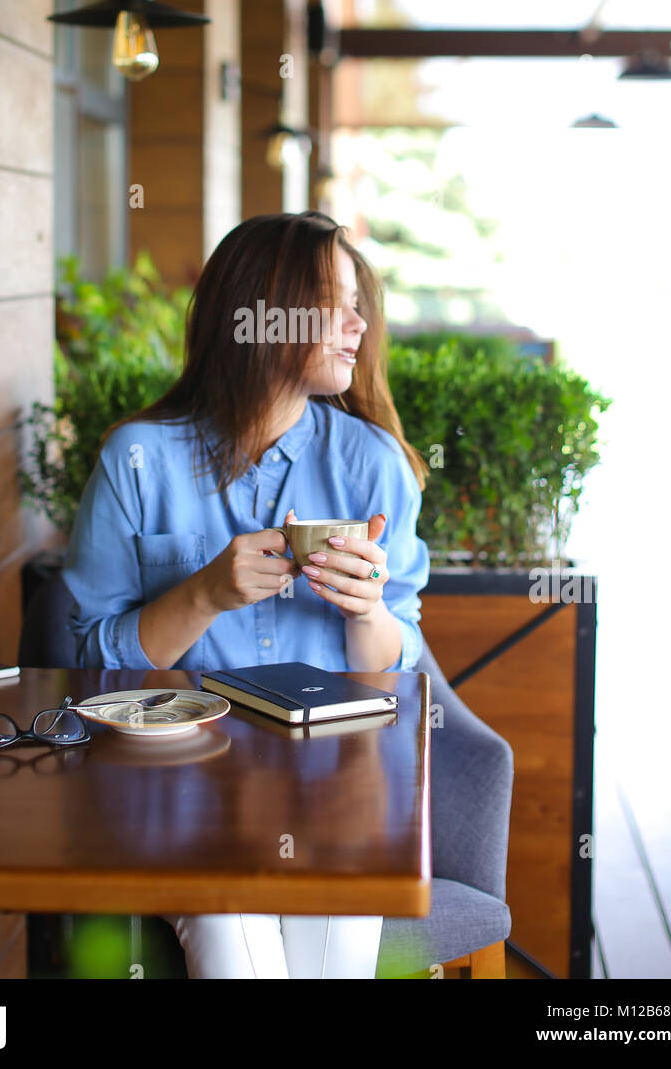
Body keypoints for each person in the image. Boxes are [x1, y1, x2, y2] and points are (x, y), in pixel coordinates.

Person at [61, 210, 432, 978]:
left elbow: (399, 667)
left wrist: (367, 610)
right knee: (236, 947)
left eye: (359, 302)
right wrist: (201, 595)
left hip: (336, 793)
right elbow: (82, 667)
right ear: (266, 313)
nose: (359, 323)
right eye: (336, 300)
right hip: (179, 796)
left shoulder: (372, 465)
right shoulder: (138, 461)